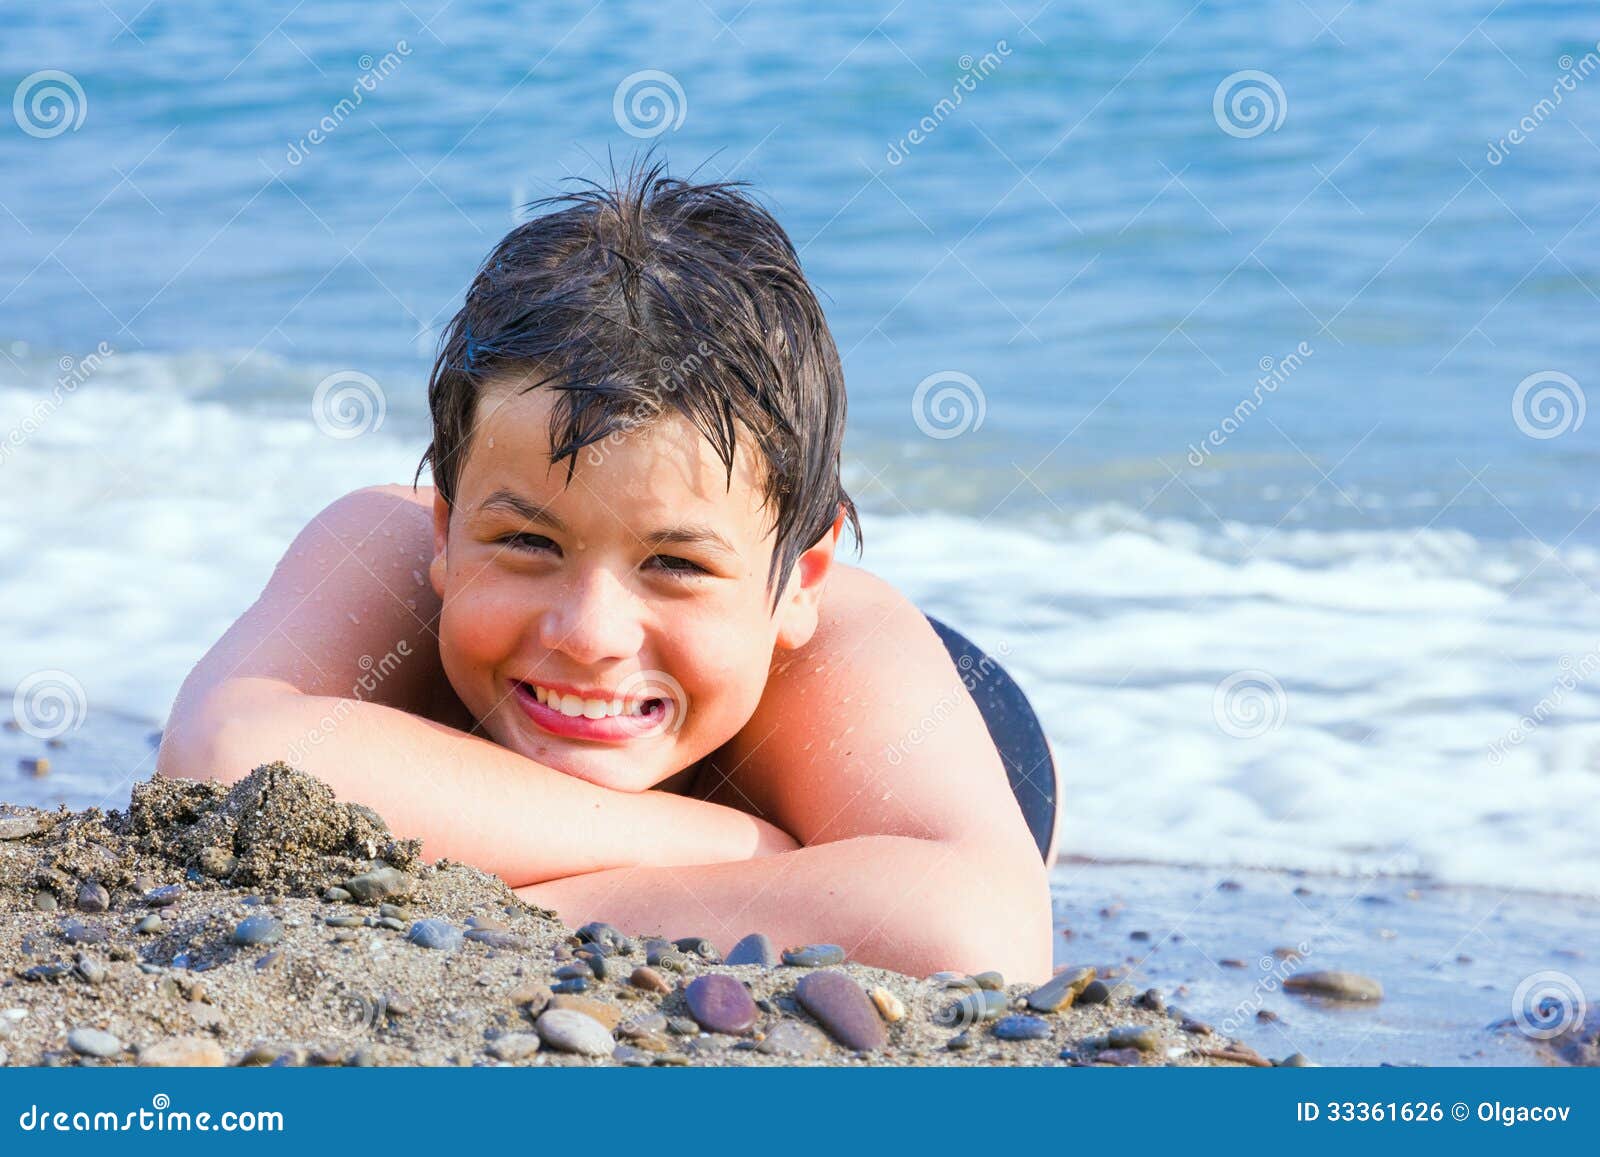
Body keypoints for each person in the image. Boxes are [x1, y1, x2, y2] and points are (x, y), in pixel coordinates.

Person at [157, 153, 1056, 983]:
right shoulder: (387, 540)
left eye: (673, 562)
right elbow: (223, 752)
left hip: (934, 721)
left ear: (801, 579)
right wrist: (733, 847)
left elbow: (982, 931)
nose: (587, 633)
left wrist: (513, 905)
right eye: (528, 544)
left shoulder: (832, 647)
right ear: (445, 530)